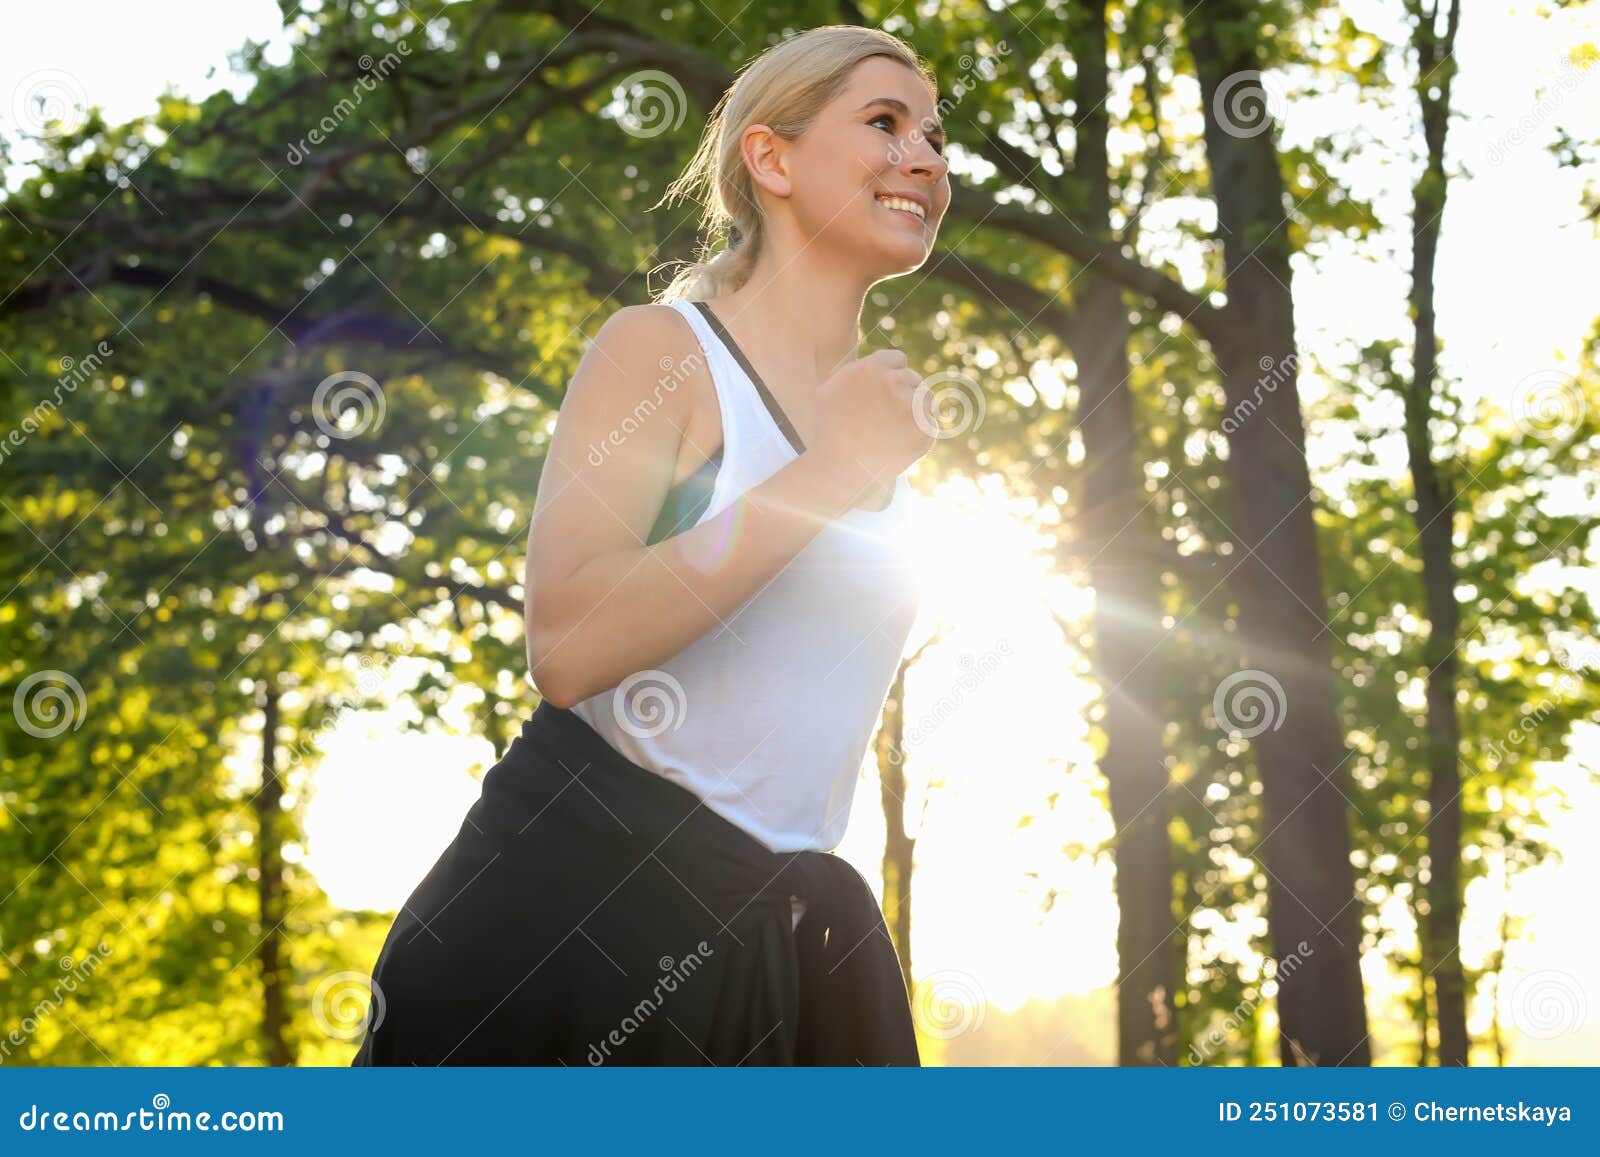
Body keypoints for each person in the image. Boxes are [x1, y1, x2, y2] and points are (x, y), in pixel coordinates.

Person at [351, 23, 951, 1066]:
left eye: (937, 136)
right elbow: (568, 641)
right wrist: (826, 475)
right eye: (884, 122)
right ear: (770, 158)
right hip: (570, 929)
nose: (926, 157)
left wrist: (848, 461)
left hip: (777, 961)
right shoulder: (662, 355)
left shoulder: (873, 427)